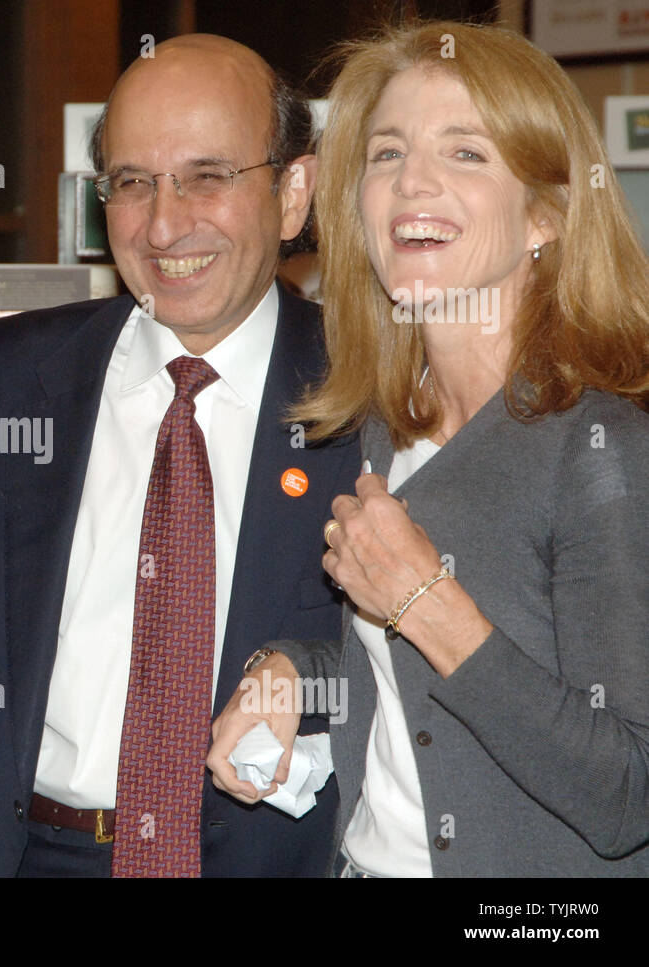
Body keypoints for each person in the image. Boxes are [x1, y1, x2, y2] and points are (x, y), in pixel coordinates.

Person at [210, 20, 649, 876]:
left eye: (466, 154)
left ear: (547, 214)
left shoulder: (602, 447)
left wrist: (423, 600)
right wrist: (293, 673)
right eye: (386, 153)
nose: (414, 181)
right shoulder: (386, 424)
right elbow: (413, 681)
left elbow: (627, 791)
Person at [0, 34, 360, 877]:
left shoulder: (373, 397)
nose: (164, 223)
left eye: (206, 176)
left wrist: (302, 674)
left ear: (294, 192)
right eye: (132, 183)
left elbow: (423, 651)